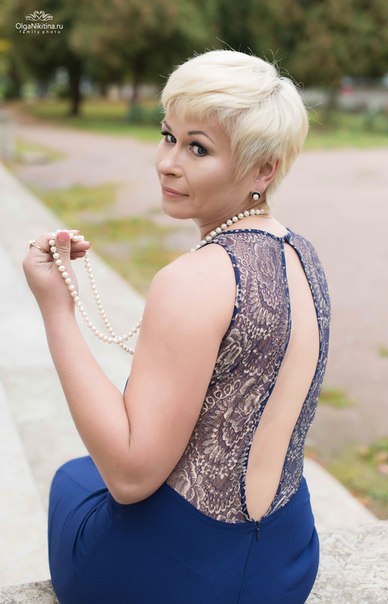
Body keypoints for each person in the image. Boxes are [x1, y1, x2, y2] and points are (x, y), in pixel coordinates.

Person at [23, 49, 331, 604]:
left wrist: (56, 309)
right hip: (287, 565)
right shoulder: (304, 256)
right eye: (168, 136)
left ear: (264, 170)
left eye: (198, 148)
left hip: (176, 580)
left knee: (73, 477)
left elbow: (131, 476)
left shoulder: (194, 278)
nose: (167, 162)